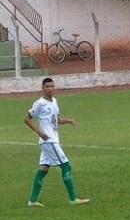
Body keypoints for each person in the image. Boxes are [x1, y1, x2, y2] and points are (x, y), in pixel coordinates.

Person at [24, 78, 90, 207]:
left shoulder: (54, 101)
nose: (50, 88)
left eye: (51, 86)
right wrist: (39, 132)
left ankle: (32, 201)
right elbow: (27, 119)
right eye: (47, 86)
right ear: (42, 88)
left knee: (43, 169)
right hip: (49, 141)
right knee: (66, 166)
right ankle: (73, 198)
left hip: (52, 140)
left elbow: (56, 119)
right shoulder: (39, 103)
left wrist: (68, 121)